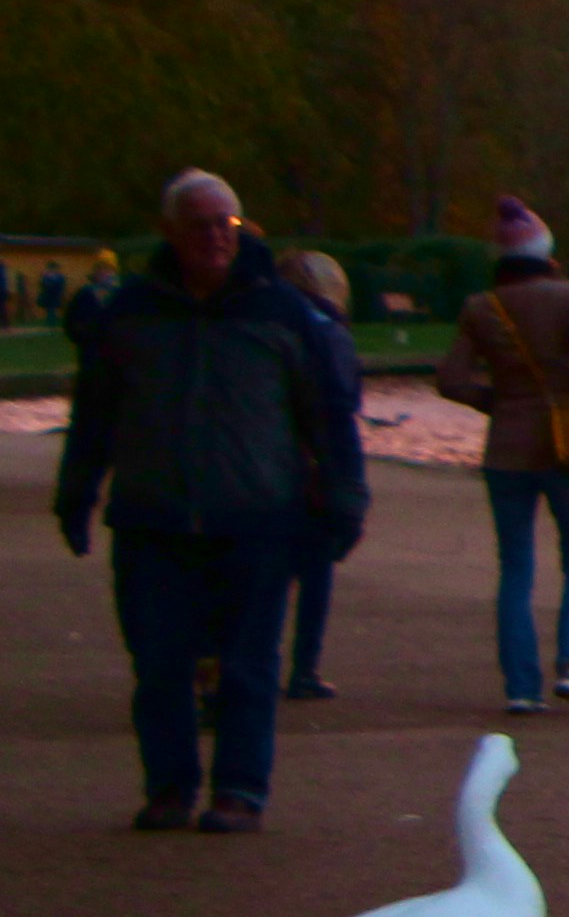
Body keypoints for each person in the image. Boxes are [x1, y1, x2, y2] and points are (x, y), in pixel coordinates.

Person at [53, 170, 366, 831]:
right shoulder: (133, 312)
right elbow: (95, 414)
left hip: (255, 515)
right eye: (197, 225)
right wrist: (75, 493)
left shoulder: (280, 313)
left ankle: (240, 791)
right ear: (170, 232)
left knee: (249, 665)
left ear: (240, 229)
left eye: (223, 224)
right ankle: (169, 787)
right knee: (160, 665)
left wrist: (344, 495)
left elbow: (328, 413)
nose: (212, 238)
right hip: (153, 517)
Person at [433, 197, 569, 715]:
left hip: (507, 449)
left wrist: (496, 401)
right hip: (565, 444)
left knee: (515, 567)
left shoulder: (481, 307)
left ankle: (520, 687)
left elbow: (450, 379)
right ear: (546, 252)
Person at [279, 247, 358, 697]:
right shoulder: (331, 335)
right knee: (315, 570)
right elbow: (340, 409)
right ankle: (304, 665)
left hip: (266, 465)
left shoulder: (268, 326)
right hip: (311, 467)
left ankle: (250, 662)